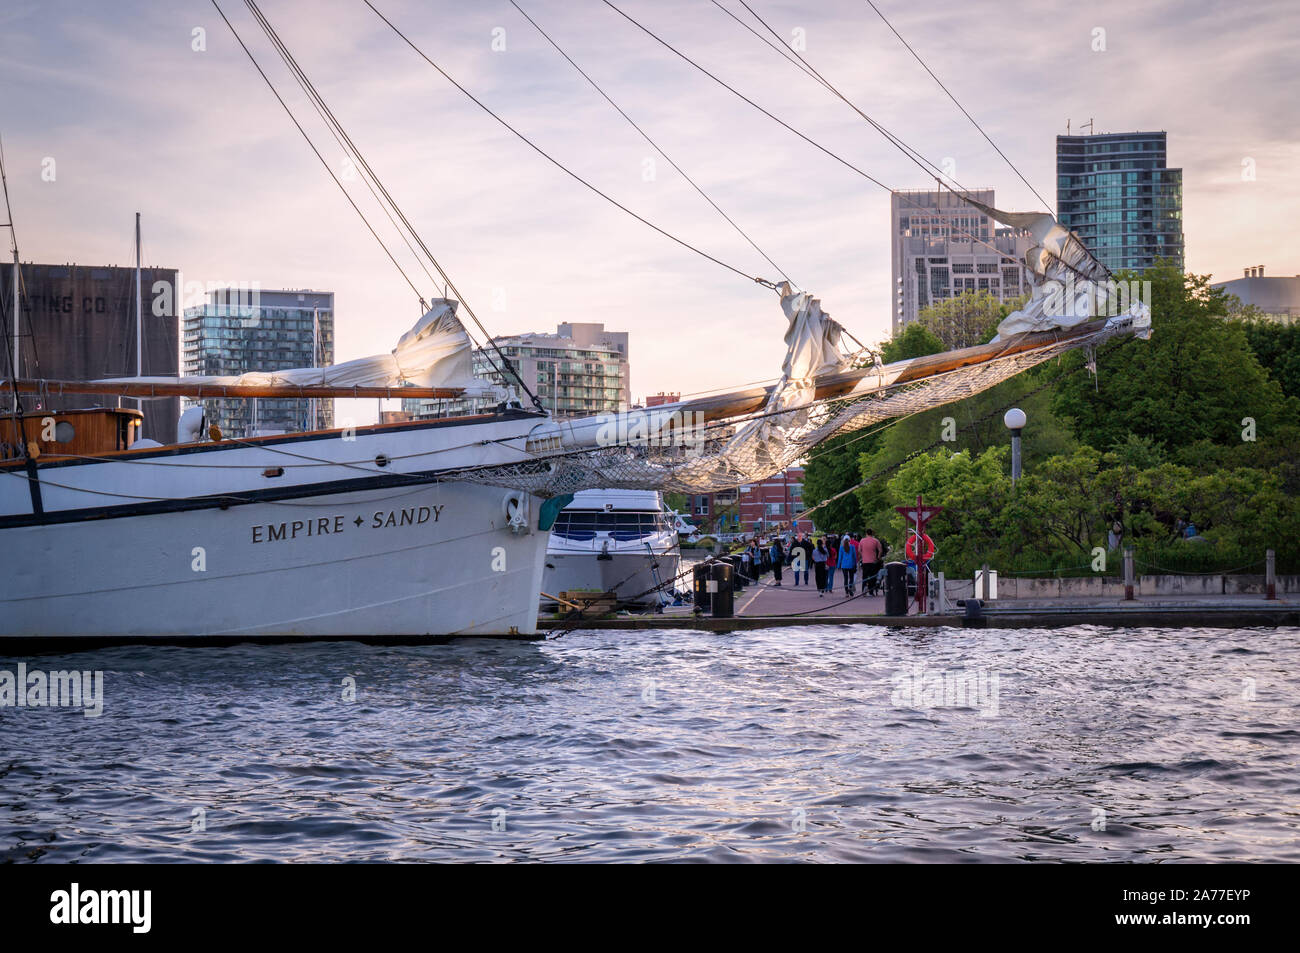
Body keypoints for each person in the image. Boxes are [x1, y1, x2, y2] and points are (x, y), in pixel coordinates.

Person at [858, 528, 884, 596]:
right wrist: (878, 557)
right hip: (873, 561)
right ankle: (871, 591)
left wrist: (862, 556)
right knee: (873, 576)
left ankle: (864, 589)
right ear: (872, 533)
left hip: (865, 561)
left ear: (866, 533)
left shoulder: (862, 540)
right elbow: (880, 549)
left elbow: (859, 550)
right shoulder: (875, 541)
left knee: (865, 576)